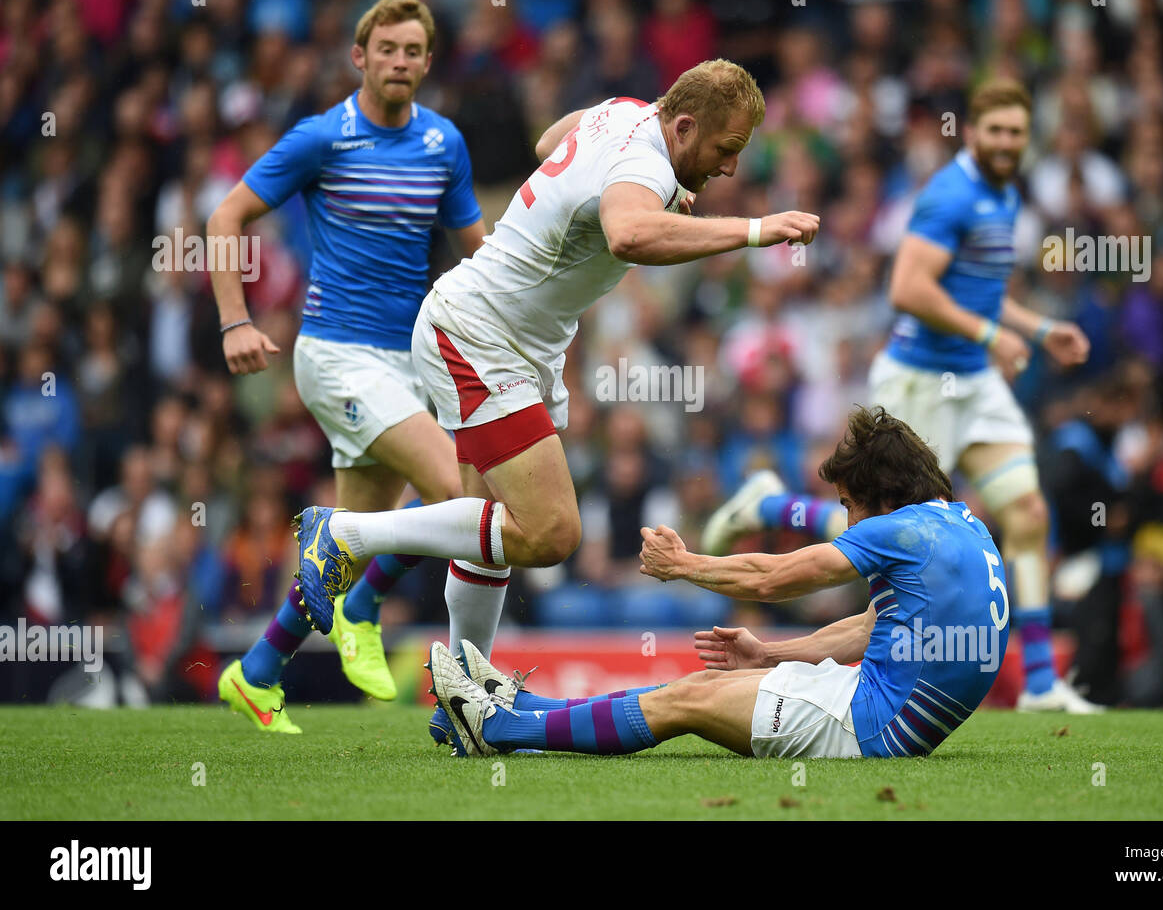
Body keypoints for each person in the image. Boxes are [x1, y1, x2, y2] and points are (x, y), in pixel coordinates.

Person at [291, 59, 821, 748]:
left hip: (501, 337)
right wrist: (754, 229)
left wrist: (641, 191)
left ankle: (464, 696)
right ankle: (346, 535)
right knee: (551, 533)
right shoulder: (645, 163)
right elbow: (630, 234)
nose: (730, 166)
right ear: (685, 126)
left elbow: (550, 142)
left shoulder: (624, 110)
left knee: (485, 530)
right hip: (479, 336)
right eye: (726, 148)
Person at [701, 77, 1102, 713]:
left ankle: (1041, 685)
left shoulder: (1004, 196)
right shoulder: (949, 196)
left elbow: (977, 290)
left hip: (973, 377)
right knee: (889, 526)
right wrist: (992, 336)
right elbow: (908, 289)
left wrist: (1039, 329)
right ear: (972, 133)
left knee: (1028, 514)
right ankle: (769, 504)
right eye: (995, 131)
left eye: (1017, 133)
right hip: (921, 378)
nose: (1006, 142)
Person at [428, 406, 1009, 759]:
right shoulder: (962, 526)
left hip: (868, 726)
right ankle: (523, 708)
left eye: (850, 505)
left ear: (883, 496)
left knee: (687, 700)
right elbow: (869, 629)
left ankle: (499, 727)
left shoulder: (902, 530)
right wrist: (770, 654)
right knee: (697, 688)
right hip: (887, 712)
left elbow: (775, 578)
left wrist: (683, 565)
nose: (851, 522)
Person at [208, 0, 486, 733]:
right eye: (386, 48)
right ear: (359, 57)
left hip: (408, 360)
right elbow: (225, 216)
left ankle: (257, 671)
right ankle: (363, 609)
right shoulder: (322, 137)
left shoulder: (444, 143)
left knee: (355, 540)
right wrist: (235, 321)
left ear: (428, 62)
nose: (399, 61)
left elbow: (479, 255)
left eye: (412, 50)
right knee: (459, 488)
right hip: (336, 356)